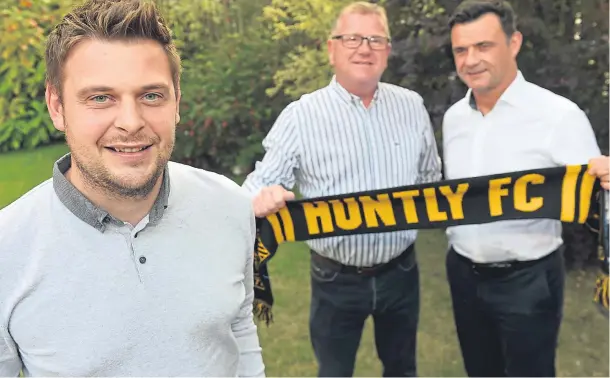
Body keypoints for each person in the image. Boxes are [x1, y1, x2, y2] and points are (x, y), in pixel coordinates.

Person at [0, 0, 264, 376]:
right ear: (57, 107)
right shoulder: (6, 250)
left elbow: (239, 327)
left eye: (151, 95)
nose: (130, 122)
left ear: (176, 103)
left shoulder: (232, 205)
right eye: (100, 98)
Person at [242, 2, 441, 376]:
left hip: (402, 273)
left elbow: (430, 181)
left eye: (375, 39)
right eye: (351, 38)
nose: (364, 48)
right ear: (331, 49)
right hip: (336, 279)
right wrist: (258, 198)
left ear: (387, 51)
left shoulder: (412, 106)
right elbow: (260, 182)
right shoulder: (302, 115)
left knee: (403, 369)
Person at [442, 1, 609, 376]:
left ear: (514, 43)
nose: (470, 60)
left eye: (483, 46)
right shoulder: (454, 119)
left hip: (529, 280)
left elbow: (597, 199)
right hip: (463, 273)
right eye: (461, 50)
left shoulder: (558, 116)